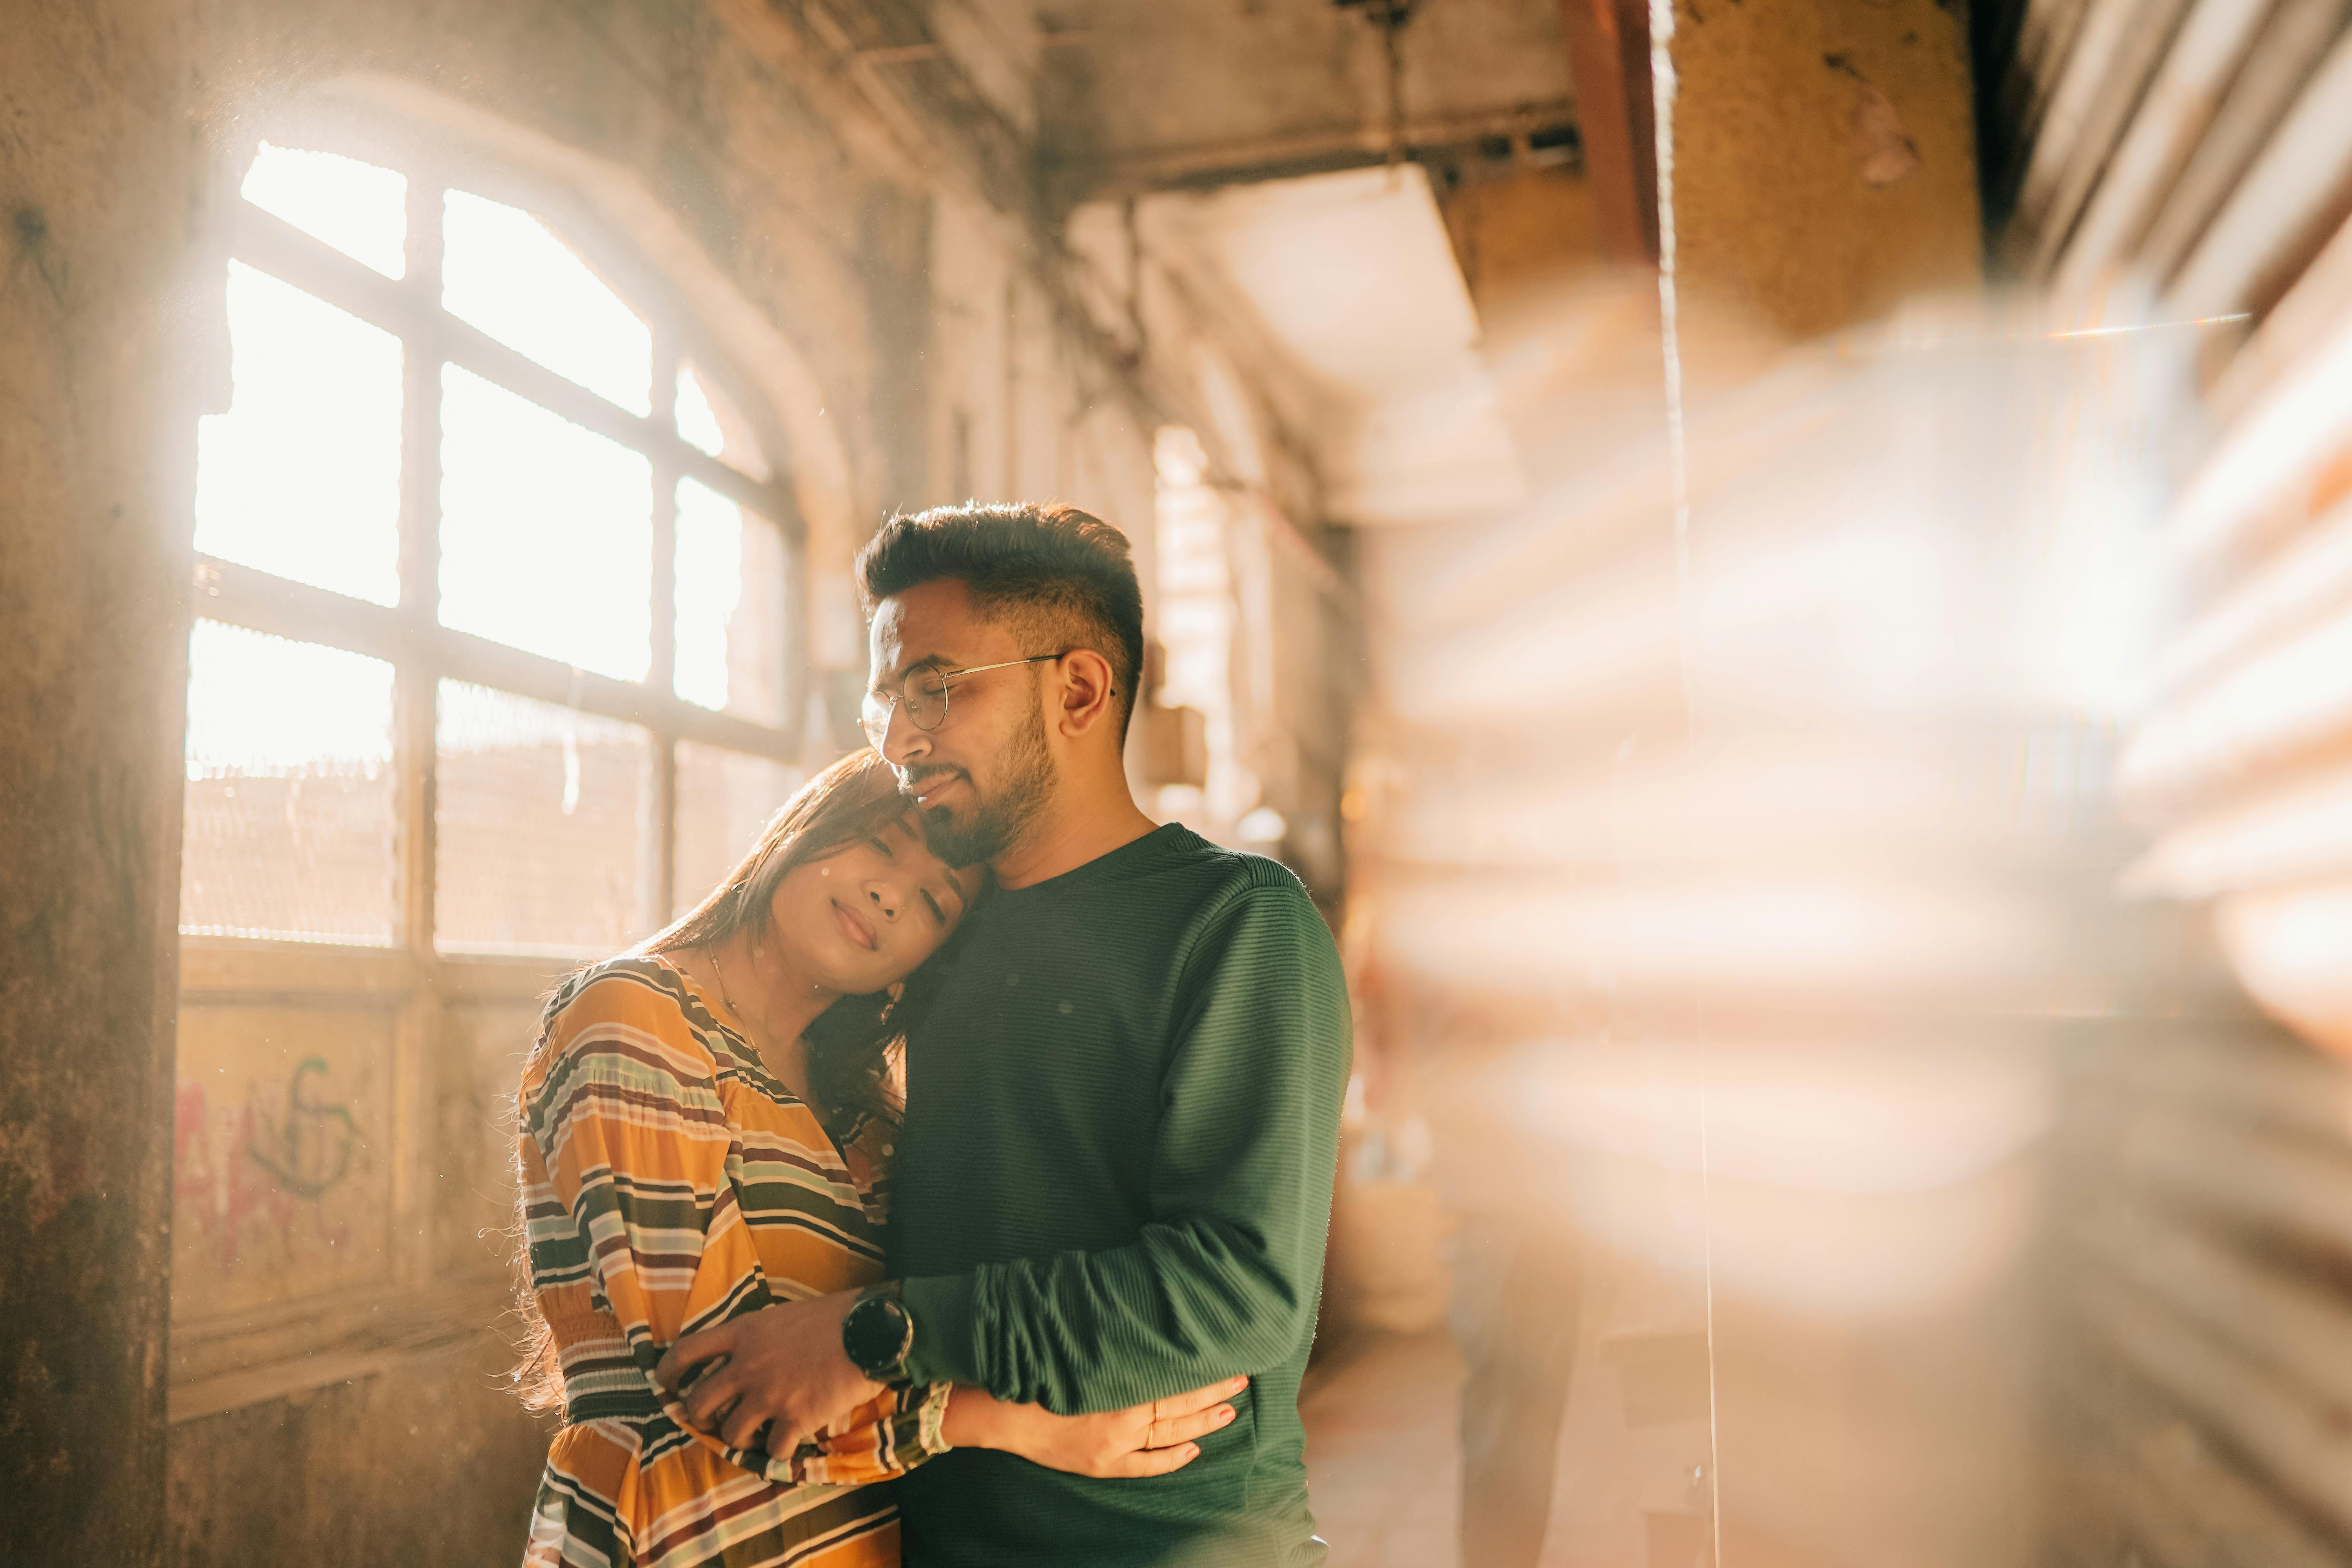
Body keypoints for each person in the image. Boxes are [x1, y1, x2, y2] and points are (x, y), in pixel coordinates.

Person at [654, 503, 1353, 1567]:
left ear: (1077, 691)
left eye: (934, 687)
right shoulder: (938, 932)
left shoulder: (1237, 923)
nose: (899, 740)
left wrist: (876, 1334)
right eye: (886, 700)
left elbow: (1234, 1293)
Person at [512, 751, 1243, 1568]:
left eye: (934, 903)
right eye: (882, 844)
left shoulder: (863, 1119)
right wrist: (1026, 1425)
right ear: (806, 825)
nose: (891, 895)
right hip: (679, 1532)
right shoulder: (634, 1017)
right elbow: (721, 1379)